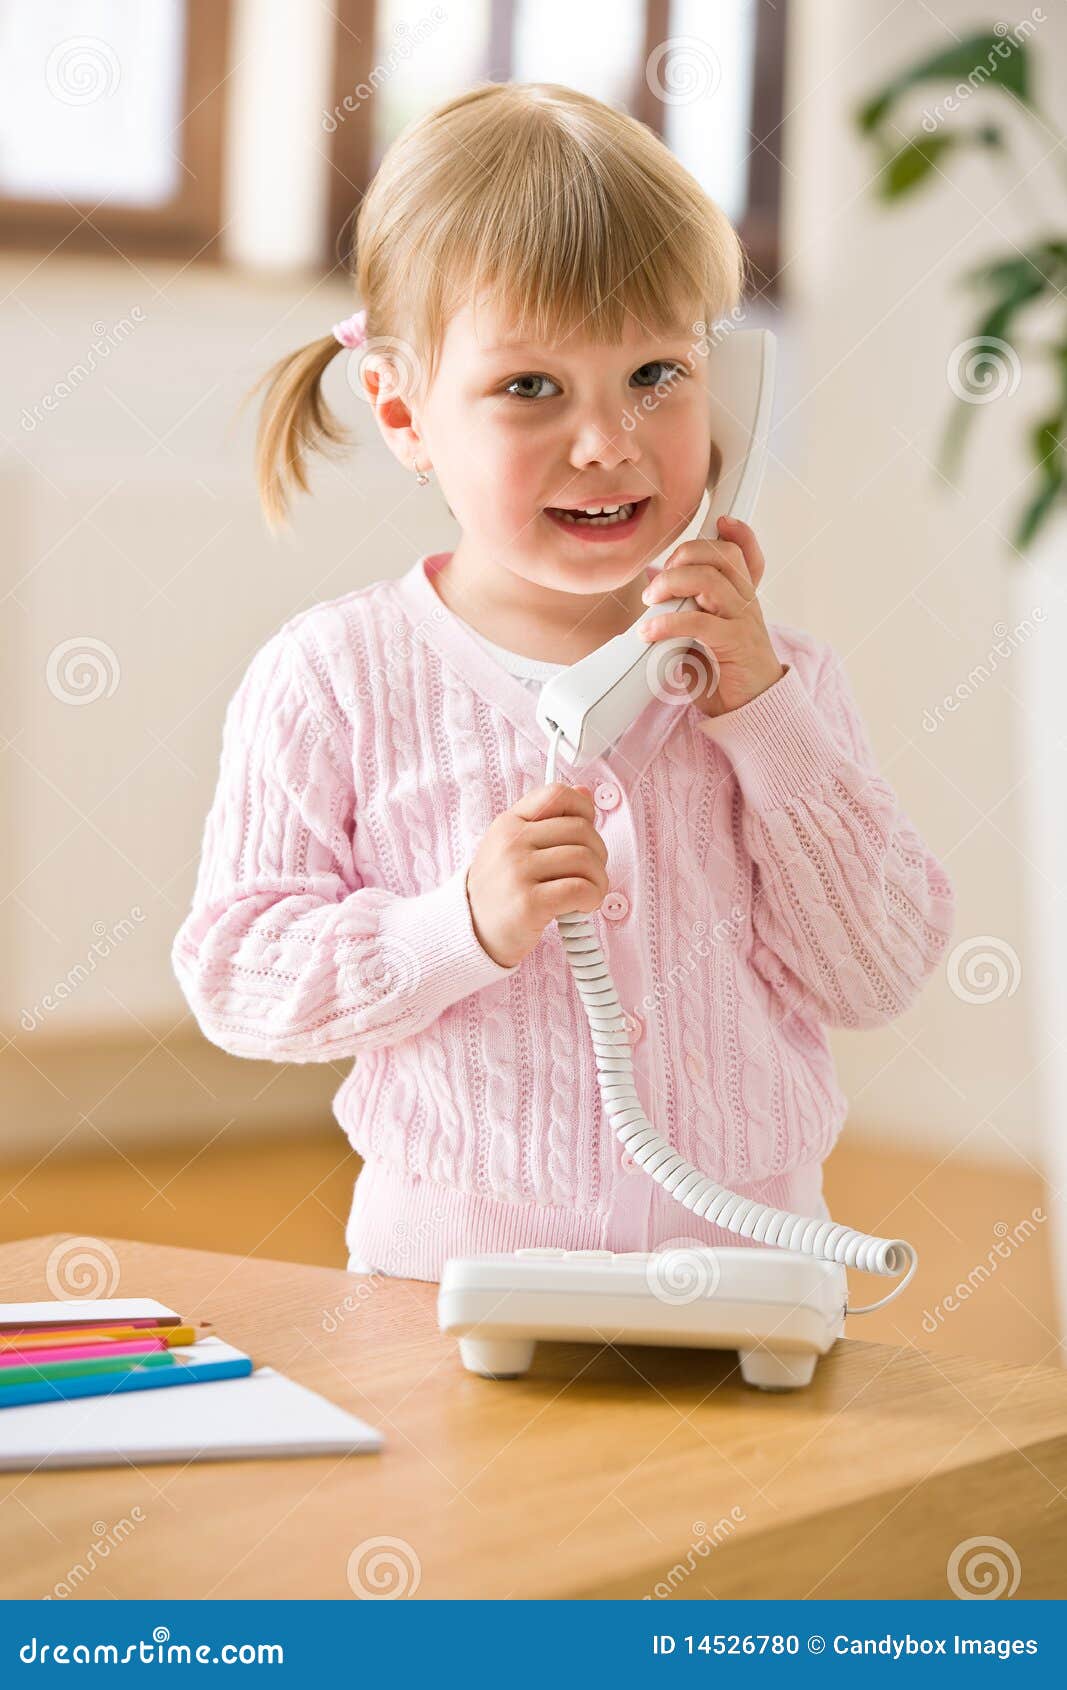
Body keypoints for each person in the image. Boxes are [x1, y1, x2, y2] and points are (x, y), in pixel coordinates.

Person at [172, 82, 955, 1283]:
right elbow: (237, 972)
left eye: (654, 373)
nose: (608, 442)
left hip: (746, 1271)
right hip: (446, 1282)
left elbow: (878, 968)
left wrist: (762, 719)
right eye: (530, 387)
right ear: (403, 410)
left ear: (725, 384)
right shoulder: (334, 677)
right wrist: (454, 928)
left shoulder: (780, 681)